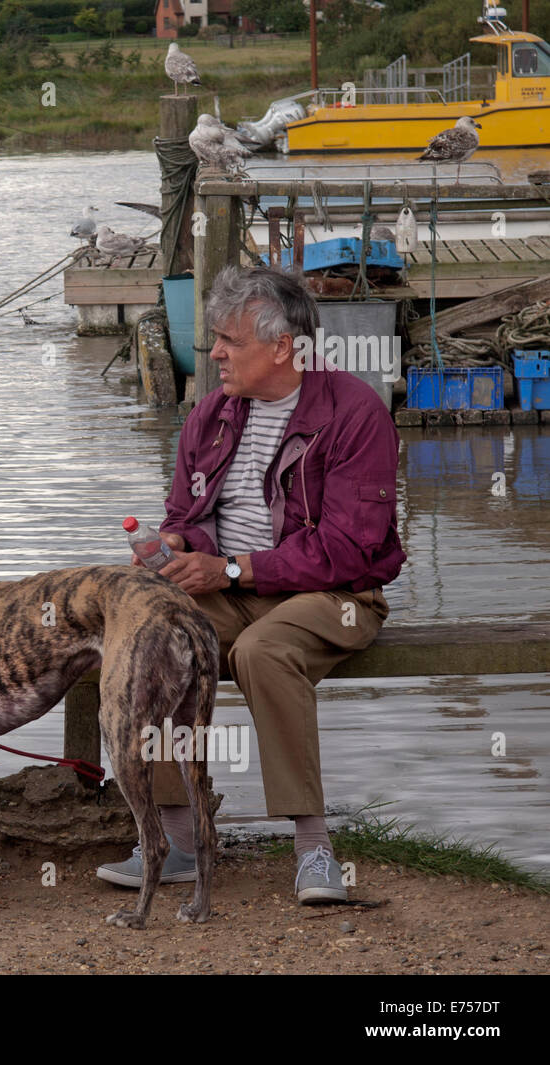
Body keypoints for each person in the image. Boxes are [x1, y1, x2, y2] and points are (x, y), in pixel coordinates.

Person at [98, 266, 406, 903]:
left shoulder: (355, 413)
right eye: (215, 338)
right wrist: (178, 546)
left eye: (228, 342)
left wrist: (234, 569)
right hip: (234, 591)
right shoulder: (211, 414)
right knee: (156, 641)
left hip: (338, 595)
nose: (213, 354)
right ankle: (178, 842)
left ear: (283, 346)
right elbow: (189, 517)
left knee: (263, 652)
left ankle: (314, 850)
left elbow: (350, 548)